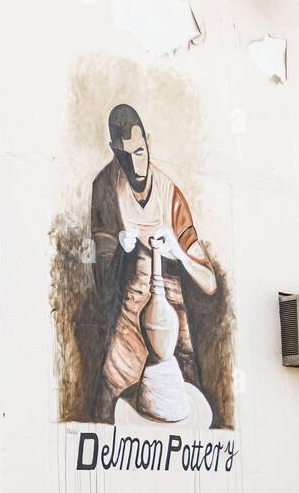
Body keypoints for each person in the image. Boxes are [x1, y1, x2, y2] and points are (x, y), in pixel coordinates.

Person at [91, 103, 217, 422]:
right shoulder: (106, 188)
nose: (135, 165)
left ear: (148, 141)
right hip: (131, 303)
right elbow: (103, 283)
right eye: (124, 156)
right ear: (113, 151)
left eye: (139, 151)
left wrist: (178, 252)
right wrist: (120, 251)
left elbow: (209, 282)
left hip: (169, 306)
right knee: (109, 395)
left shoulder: (169, 195)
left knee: (183, 391)